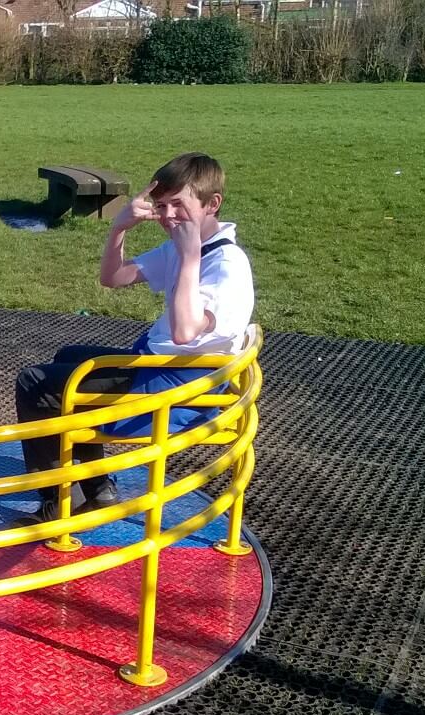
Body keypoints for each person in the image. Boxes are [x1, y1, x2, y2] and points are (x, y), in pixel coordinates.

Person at [13, 152, 255, 526]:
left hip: (177, 388)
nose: (168, 216)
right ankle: (98, 489)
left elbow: (185, 330)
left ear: (212, 204)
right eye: (161, 206)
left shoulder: (224, 266)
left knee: (35, 384)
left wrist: (189, 260)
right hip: (160, 366)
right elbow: (114, 278)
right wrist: (119, 229)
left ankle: (57, 504)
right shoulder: (187, 247)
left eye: (179, 205)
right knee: (69, 355)